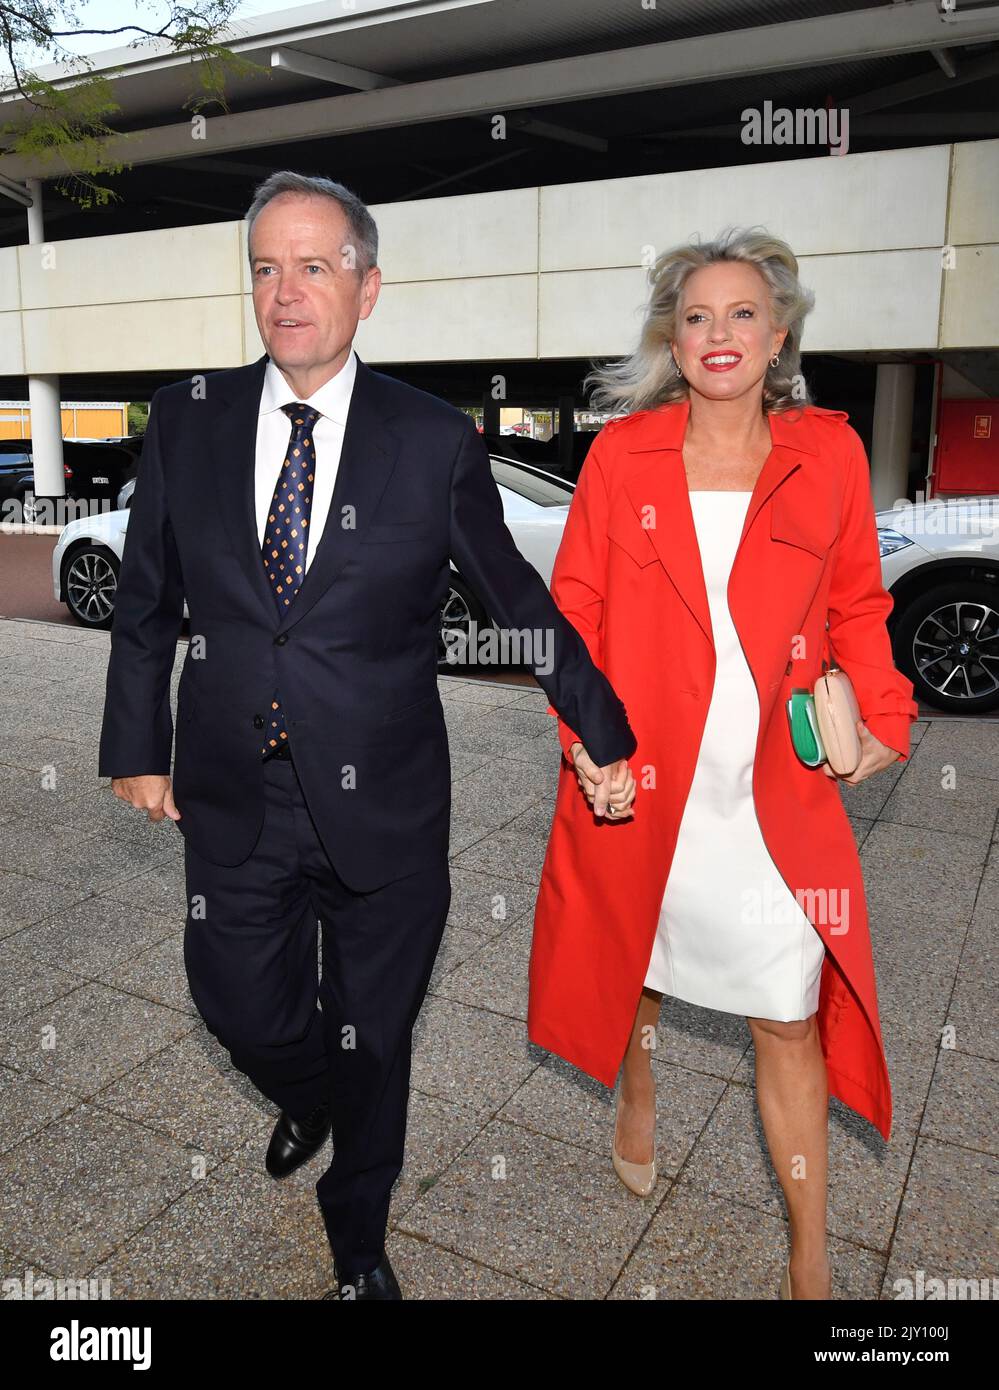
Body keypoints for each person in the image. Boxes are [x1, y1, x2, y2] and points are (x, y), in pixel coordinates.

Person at [98, 170, 637, 1300]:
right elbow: (147, 601)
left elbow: (512, 598)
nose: (286, 292)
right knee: (236, 1003)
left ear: (368, 285)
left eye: (315, 264)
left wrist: (597, 719)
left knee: (377, 1031)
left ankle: (358, 1236)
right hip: (232, 788)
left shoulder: (429, 437)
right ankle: (309, 1088)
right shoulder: (186, 416)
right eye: (265, 267)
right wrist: (136, 747)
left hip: (385, 795)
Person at [528, 227, 918, 1301]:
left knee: (786, 1013)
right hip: (649, 772)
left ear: (779, 332)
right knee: (641, 958)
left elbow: (857, 603)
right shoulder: (621, 455)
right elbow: (577, 616)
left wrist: (883, 708)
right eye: (696, 315)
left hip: (772, 790)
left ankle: (809, 1248)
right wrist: (587, 741)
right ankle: (638, 1085)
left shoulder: (827, 452)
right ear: (673, 336)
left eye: (742, 313)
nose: (718, 333)